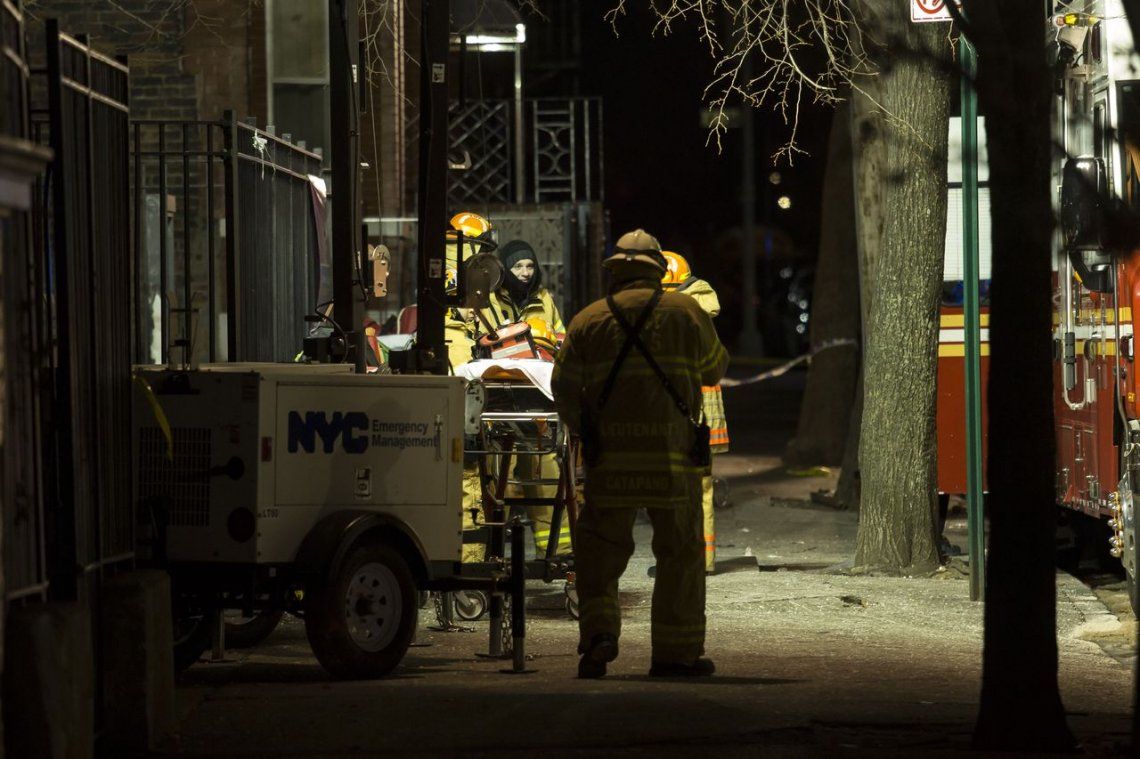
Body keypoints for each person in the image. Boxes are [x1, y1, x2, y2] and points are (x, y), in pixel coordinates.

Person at [551, 229, 729, 679]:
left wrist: (588, 430)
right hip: (672, 461)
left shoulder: (587, 319)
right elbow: (714, 368)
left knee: (599, 552)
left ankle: (599, 637)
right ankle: (675, 655)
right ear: (657, 270)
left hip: (610, 462)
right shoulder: (686, 312)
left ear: (615, 271)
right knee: (680, 554)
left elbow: (563, 389)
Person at [662, 251, 730, 574]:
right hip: (701, 410)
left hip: (684, 409)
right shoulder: (698, 310)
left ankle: (682, 558)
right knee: (700, 486)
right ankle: (703, 559)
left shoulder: (674, 314)